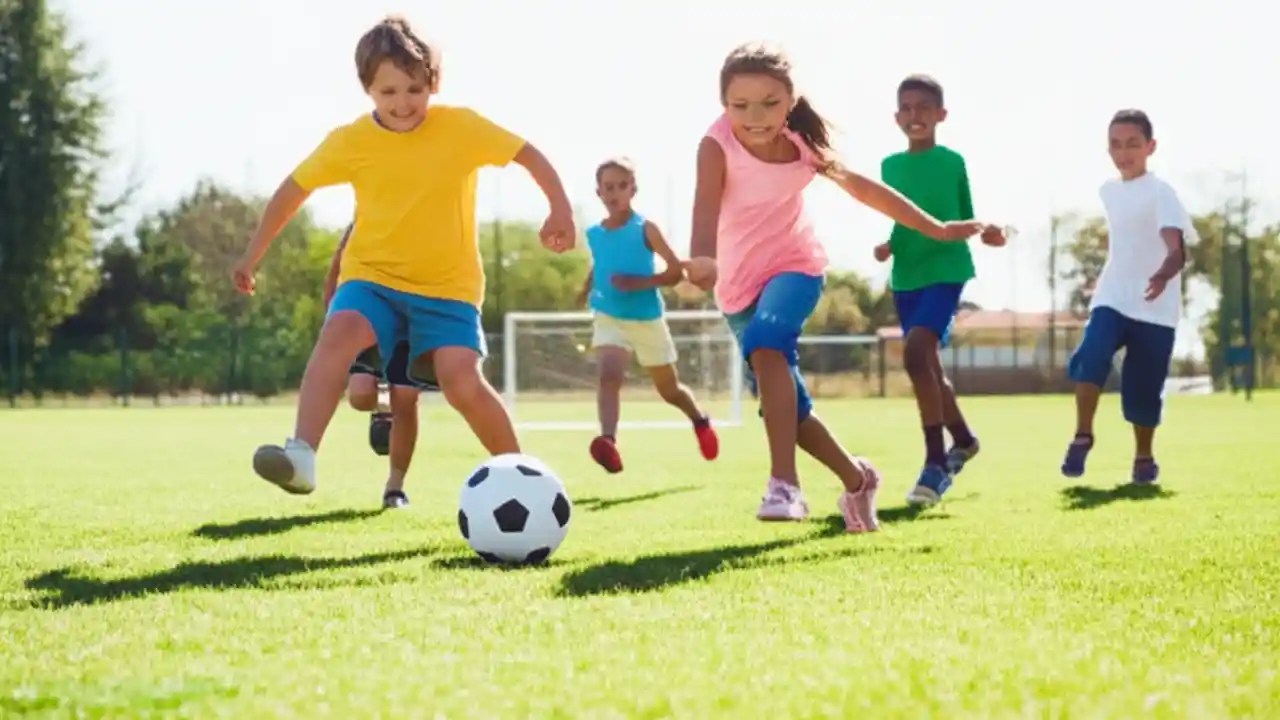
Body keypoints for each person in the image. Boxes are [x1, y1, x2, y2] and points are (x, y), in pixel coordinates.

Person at [230, 15, 574, 495]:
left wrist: (559, 208)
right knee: (339, 331)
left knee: (460, 381)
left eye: (414, 89)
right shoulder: (350, 141)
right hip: (373, 278)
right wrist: (252, 255)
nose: (403, 104)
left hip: (447, 289)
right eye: (388, 92)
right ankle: (302, 455)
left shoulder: (461, 127)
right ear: (367, 89)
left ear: (432, 83)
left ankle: (526, 480)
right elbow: (293, 190)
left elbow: (528, 154)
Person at [683, 42, 985, 532]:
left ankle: (785, 485)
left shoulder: (805, 147)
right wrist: (704, 258)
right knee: (793, 414)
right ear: (724, 105)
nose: (755, 116)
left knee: (767, 343)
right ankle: (858, 479)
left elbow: (867, 189)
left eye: (769, 103)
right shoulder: (715, 145)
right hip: (736, 288)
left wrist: (938, 228)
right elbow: (704, 204)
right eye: (740, 106)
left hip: (794, 267)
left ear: (790, 100)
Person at [871, 74, 1007, 506]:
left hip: (947, 269)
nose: (916, 116)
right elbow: (903, 217)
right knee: (928, 363)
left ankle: (935, 464)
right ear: (896, 117)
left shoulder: (953, 162)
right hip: (906, 275)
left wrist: (989, 231)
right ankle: (964, 440)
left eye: (924, 108)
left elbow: (963, 216)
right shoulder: (889, 167)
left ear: (941, 115)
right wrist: (890, 244)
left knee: (914, 353)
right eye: (907, 109)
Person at [1061, 109, 1194, 485]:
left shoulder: (1161, 192)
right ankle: (1083, 435)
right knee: (1092, 353)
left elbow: (1177, 249)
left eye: (1133, 144)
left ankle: (1143, 457)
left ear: (1151, 146)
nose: (1124, 153)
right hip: (1114, 296)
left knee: (1143, 390)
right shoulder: (1109, 191)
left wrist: (1164, 273)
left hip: (1156, 307)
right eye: (1116, 145)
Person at [577, 157, 719, 473]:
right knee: (608, 375)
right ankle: (608, 442)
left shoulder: (646, 229)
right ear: (598, 192)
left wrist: (638, 283)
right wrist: (587, 286)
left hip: (646, 319)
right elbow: (601, 264)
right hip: (608, 315)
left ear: (633, 189)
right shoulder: (594, 234)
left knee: (669, 390)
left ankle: (699, 420)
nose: (614, 193)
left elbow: (674, 272)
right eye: (608, 187)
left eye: (621, 186)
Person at [323, 222, 437, 509]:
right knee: (360, 396)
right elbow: (337, 270)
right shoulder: (362, 223)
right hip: (367, 317)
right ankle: (383, 402)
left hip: (408, 321)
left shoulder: (428, 222)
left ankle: (394, 488)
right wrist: (331, 313)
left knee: (407, 398)